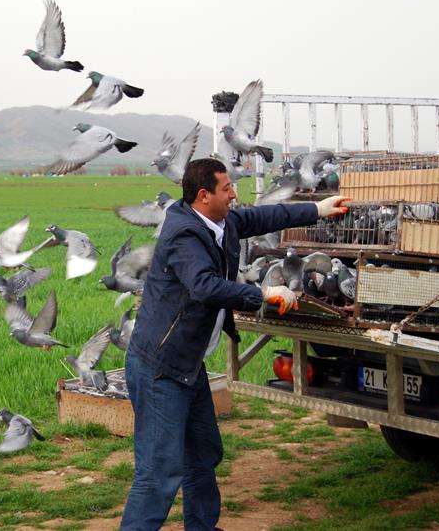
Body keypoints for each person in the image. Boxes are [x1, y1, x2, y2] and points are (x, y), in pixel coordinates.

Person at [120, 157, 350, 530]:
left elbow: (263, 218)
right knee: (159, 471)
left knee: (203, 455)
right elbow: (205, 286)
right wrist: (262, 293)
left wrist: (317, 209)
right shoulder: (183, 234)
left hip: (187, 365)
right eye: (227, 189)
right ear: (203, 195)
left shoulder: (220, 221)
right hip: (160, 366)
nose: (234, 194)